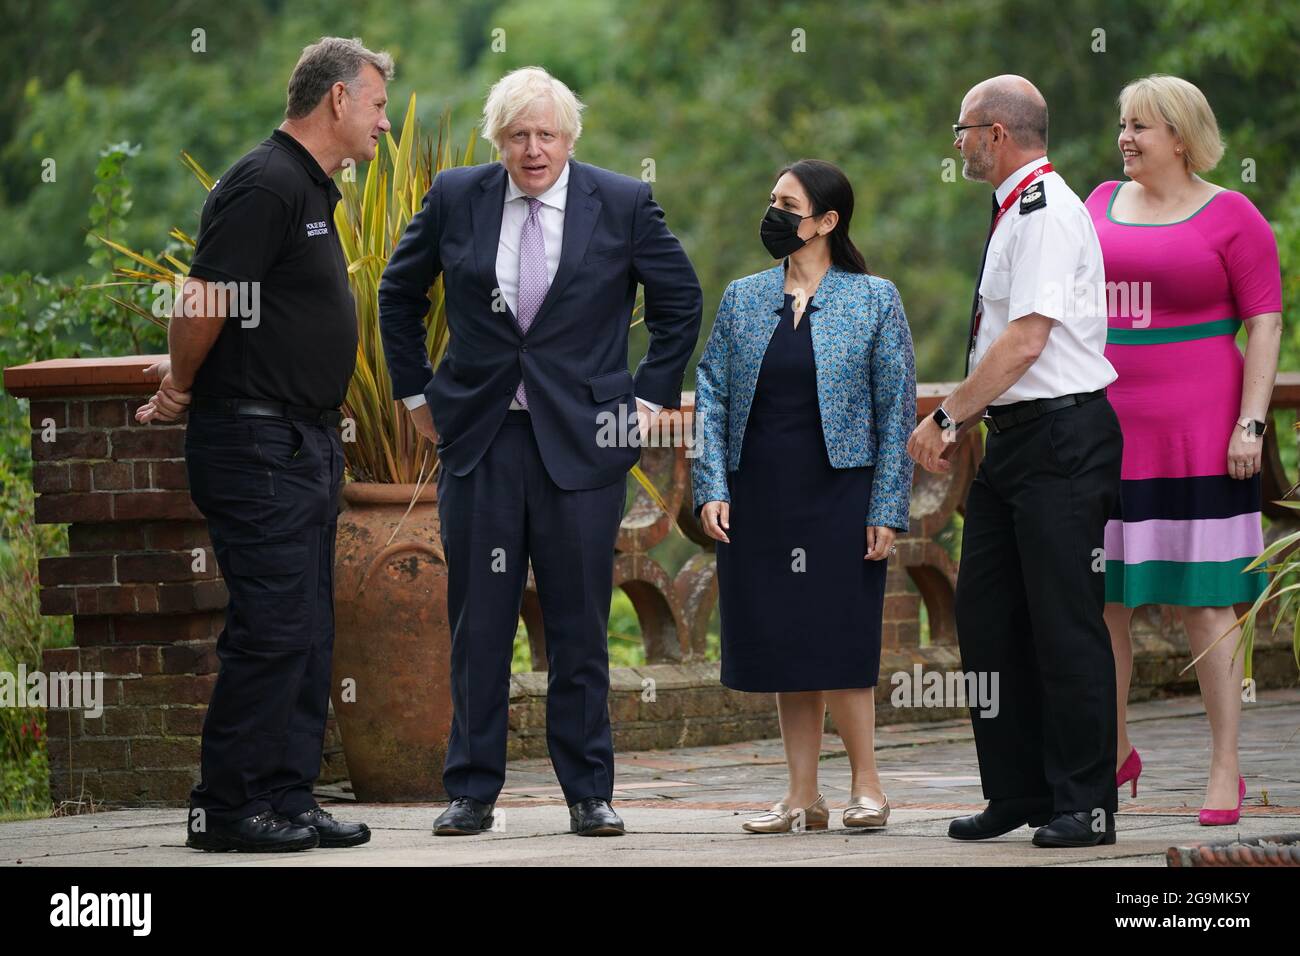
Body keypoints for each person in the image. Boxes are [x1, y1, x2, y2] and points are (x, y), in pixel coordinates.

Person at [378, 66, 702, 837]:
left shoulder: (621, 203)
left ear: (569, 138)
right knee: (478, 621)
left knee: (579, 624)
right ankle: (471, 791)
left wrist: (647, 401)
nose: (533, 150)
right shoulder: (459, 196)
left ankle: (590, 792)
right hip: (481, 441)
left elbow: (680, 303)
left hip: (585, 448)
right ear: (499, 142)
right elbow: (399, 292)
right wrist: (416, 394)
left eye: (546, 135)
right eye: (518, 136)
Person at [136, 36, 391, 851]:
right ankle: (226, 808)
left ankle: (287, 800)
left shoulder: (314, 189)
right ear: (339, 101)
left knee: (309, 632)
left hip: (303, 444)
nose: (385, 124)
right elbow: (205, 295)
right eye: (379, 105)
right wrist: (180, 380)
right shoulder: (266, 181)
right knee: (273, 628)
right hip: (255, 443)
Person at [908, 75, 1123, 848]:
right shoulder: (1014, 212)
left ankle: (1085, 804)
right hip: (1017, 442)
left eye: (961, 129)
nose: (958, 143)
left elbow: (1027, 340)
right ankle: (1018, 790)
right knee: (988, 617)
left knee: (1065, 625)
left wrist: (946, 415)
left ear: (996, 133)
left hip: (1062, 436)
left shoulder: (1043, 211)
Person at [693, 159, 916, 833]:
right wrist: (710, 486)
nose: (774, 213)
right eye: (772, 200)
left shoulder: (874, 299)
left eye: (788, 203)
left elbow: (896, 410)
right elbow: (712, 394)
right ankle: (801, 797)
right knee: (785, 642)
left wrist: (886, 507)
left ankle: (868, 788)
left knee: (839, 638)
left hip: (840, 494)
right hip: (761, 495)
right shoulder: (742, 297)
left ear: (826, 221)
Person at [1086, 75, 1282, 826]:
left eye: (1141, 126)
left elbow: (1264, 323)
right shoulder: (1095, 203)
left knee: (1206, 604)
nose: (1125, 138)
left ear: (1181, 136)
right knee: (1104, 602)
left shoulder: (1233, 216)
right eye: (1123, 124)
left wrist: (1251, 425)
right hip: (1105, 432)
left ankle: (1225, 768)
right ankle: (1111, 754)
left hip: (1202, 431)